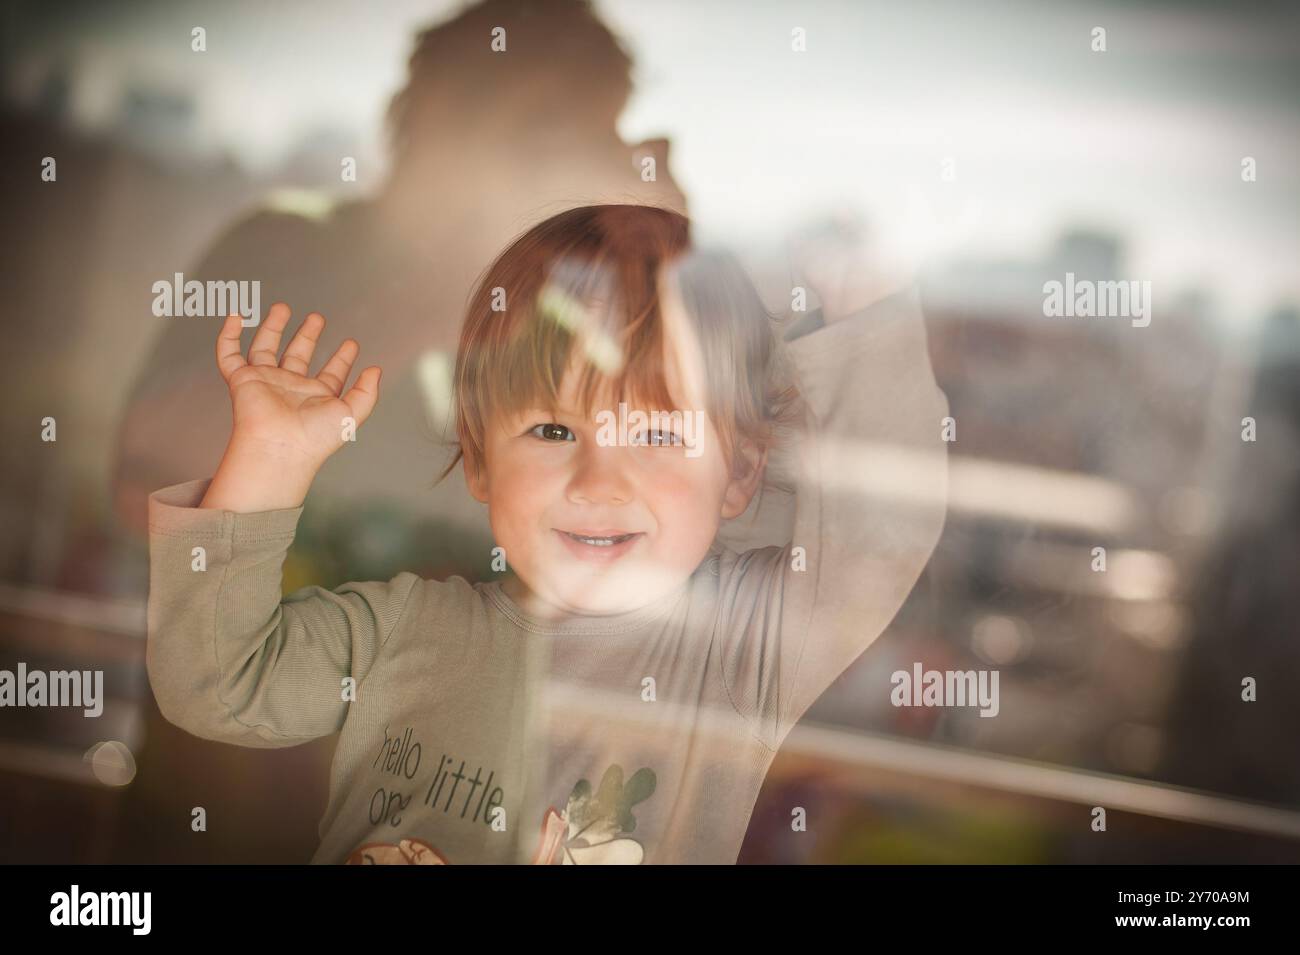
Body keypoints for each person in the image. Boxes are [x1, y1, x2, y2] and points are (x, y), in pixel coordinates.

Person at [144, 204, 948, 864]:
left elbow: (878, 539)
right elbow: (219, 684)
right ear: (480, 460)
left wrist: (868, 312)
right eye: (554, 432)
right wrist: (270, 460)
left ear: (739, 476)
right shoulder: (399, 630)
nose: (600, 482)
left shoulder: (738, 650)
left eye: (659, 435)